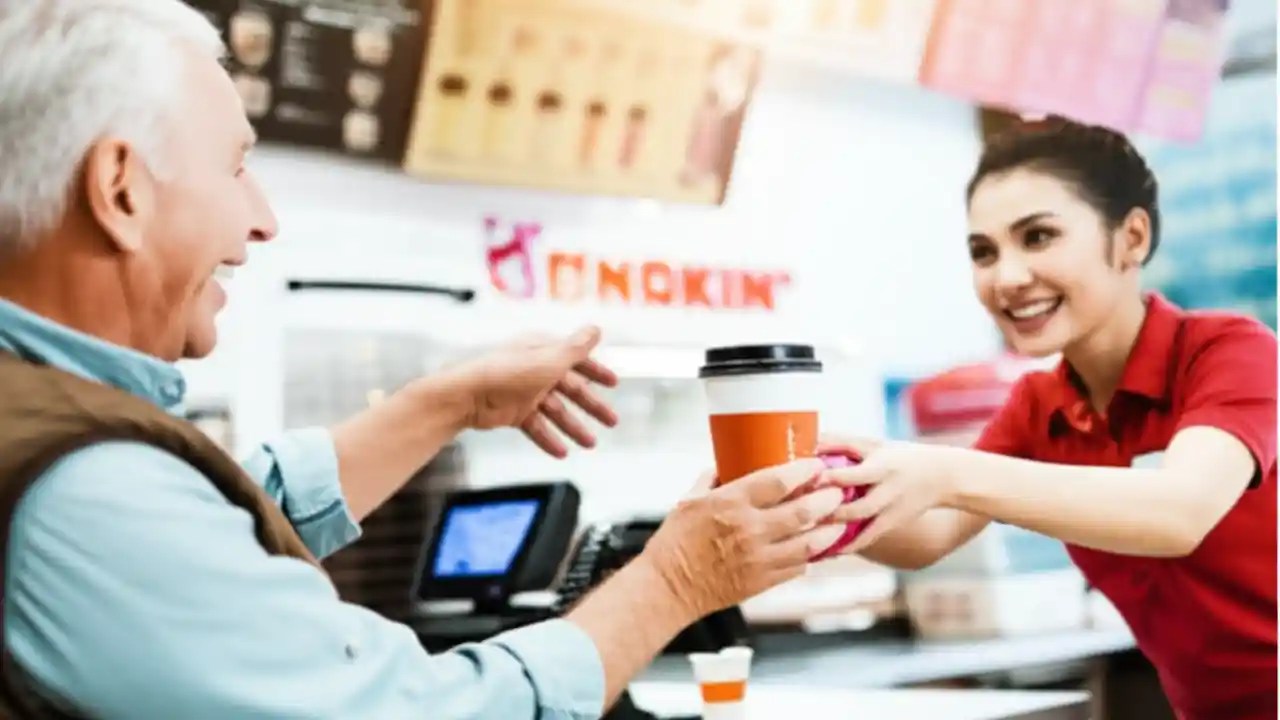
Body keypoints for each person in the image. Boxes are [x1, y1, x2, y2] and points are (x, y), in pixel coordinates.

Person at [0, 2, 850, 718]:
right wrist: (678, 578)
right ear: (121, 189)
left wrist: (447, 403)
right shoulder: (86, 486)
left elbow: (222, 511)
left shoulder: (49, 426)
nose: (261, 220)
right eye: (237, 168)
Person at [819, 120, 1277, 720]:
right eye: (984, 252)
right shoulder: (1040, 405)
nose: (1005, 277)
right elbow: (930, 535)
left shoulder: (1233, 353)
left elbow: (1180, 511)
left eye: (1037, 237)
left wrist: (944, 469)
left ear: (1130, 238)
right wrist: (815, 501)